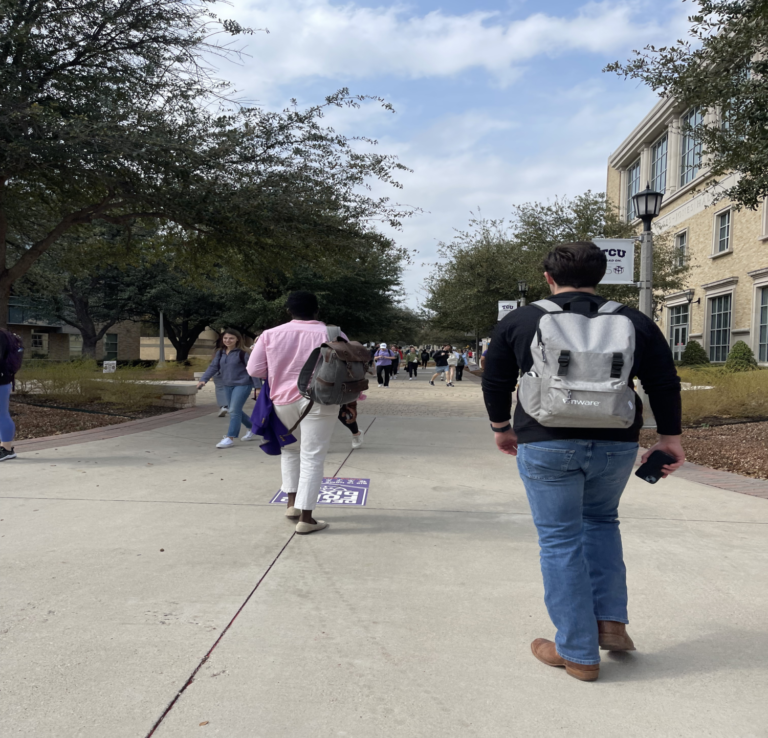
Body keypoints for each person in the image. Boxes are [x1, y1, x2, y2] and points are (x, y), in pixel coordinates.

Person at [482, 241, 684, 681]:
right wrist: (669, 438)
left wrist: (502, 427)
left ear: (548, 277)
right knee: (602, 523)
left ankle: (576, 651)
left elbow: (495, 378)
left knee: (559, 540)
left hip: (546, 440)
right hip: (616, 442)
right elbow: (664, 382)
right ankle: (611, 624)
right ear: (601, 276)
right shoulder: (632, 319)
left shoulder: (522, 318)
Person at [248, 290, 349, 534]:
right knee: (312, 456)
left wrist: (280, 372)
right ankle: (307, 518)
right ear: (317, 310)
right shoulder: (333, 333)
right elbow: (346, 369)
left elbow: (255, 369)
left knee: (290, 451)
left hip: (282, 399)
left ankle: (291, 504)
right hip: (321, 400)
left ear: (288, 311)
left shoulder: (270, 335)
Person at [197, 329, 261, 448]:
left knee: (233, 411)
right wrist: (203, 379)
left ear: (237, 339)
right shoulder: (220, 352)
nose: (228, 340)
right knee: (234, 410)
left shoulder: (244, 353)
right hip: (227, 384)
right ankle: (253, 427)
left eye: (231, 338)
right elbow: (213, 367)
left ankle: (230, 438)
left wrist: (257, 387)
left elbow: (253, 370)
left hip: (243, 384)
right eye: (225, 338)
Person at [0, 329, 21, 462]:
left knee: (2, 414)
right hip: (4, 379)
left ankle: (7, 449)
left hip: (1, 380)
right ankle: (5, 447)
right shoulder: (3, 334)